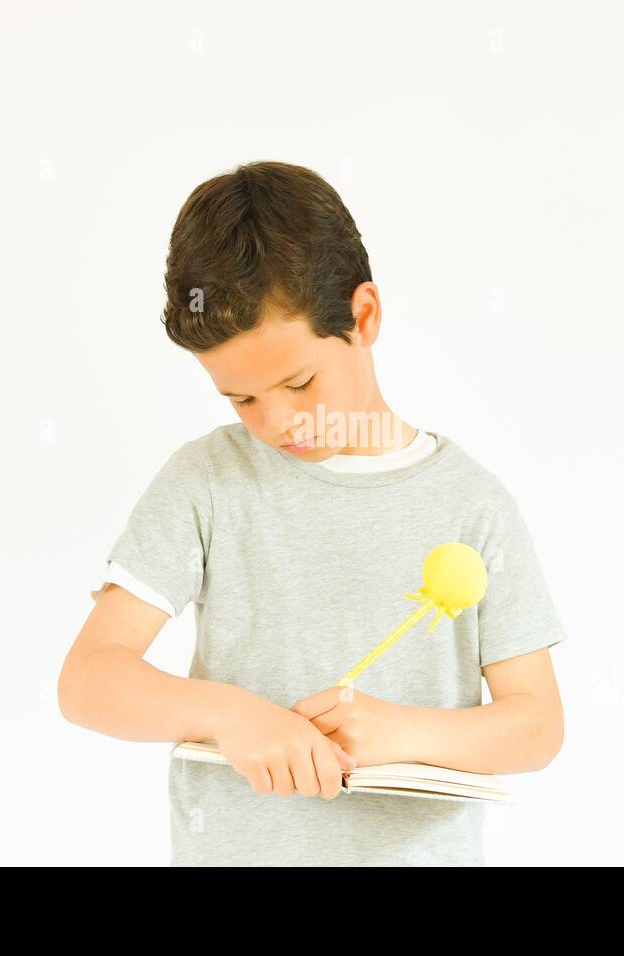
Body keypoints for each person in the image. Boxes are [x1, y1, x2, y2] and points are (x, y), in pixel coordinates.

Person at [58, 161, 567, 866]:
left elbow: (536, 726)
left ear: (364, 316)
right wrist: (228, 713)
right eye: (242, 399)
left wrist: (400, 731)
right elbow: (89, 679)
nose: (278, 421)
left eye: (299, 382)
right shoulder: (207, 481)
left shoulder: (471, 505)